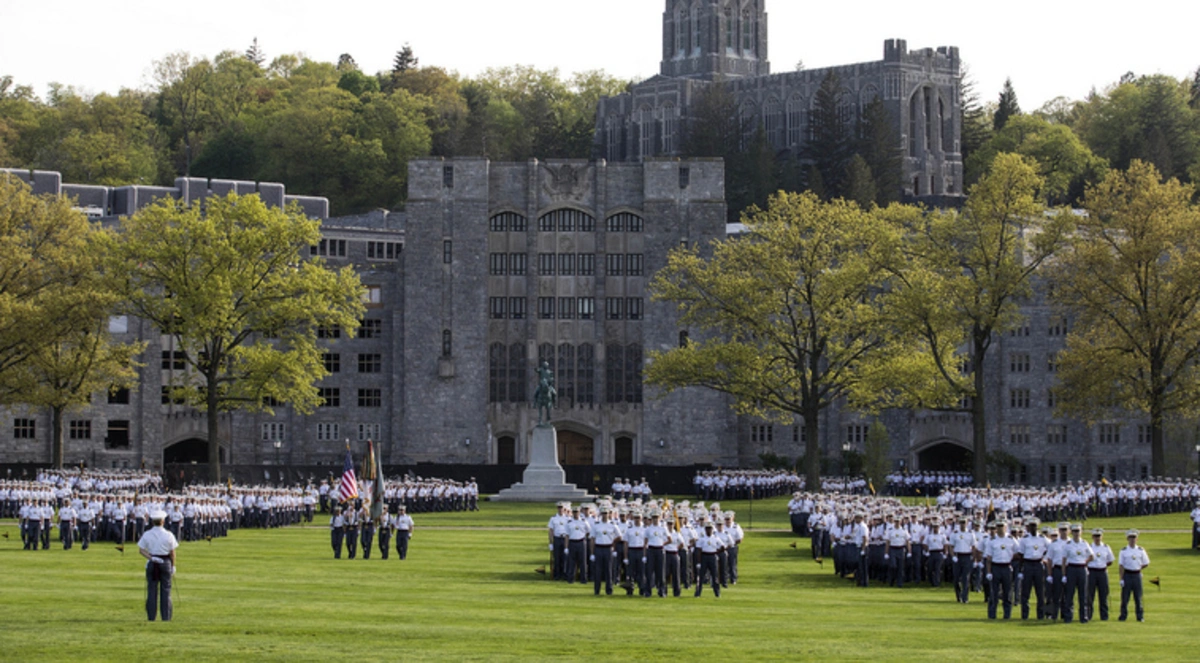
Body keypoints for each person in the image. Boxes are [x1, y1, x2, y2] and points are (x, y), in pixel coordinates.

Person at [137, 509, 179, 622]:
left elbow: (141, 550)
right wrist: (173, 566)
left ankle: (151, 616)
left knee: (151, 590)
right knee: (166, 590)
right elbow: (172, 553)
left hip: (153, 561)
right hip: (165, 562)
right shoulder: (168, 535)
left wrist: (151, 558)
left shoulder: (147, 534)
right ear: (163, 521)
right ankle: (166, 616)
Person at [1061, 523, 1094, 623]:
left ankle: (1083, 616)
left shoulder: (1084, 543)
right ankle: (1068, 616)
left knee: (1083, 594)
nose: (1076, 533)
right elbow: (1064, 560)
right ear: (1072, 532)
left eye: (1078, 531)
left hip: (1081, 568)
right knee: (1070, 594)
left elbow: (1092, 556)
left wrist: (1085, 562)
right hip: (1071, 568)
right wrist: (1064, 575)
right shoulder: (1068, 545)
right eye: (1074, 531)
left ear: (1081, 532)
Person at [985, 520, 1017, 620]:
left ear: (1006, 527)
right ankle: (992, 614)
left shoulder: (1011, 539)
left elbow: (1018, 552)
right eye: (998, 526)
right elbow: (989, 557)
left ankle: (1007, 615)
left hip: (1007, 566)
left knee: (1007, 592)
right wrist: (989, 572)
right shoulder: (992, 540)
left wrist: (1010, 558)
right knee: (994, 592)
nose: (1000, 528)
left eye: (1002, 526)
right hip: (996, 567)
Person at [1118, 529, 1150, 622]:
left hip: (1137, 575)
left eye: (1134, 537)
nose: (1132, 539)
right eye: (1130, 537)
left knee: (1138, 597)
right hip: (1127, 574)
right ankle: (1123, 615)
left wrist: (1139, 568)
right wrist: (1121, 579)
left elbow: (1146, 563)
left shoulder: (1141, 550)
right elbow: (1121, 565)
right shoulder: (1124, 551)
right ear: (1127, 539)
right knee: (1125, 598)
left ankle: (1140, 616)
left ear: (1137, 539)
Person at [1086, 528, 1114, 622]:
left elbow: (1110, 560)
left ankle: (1104, 616)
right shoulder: (1089, 547)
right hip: (1091, 572)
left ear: (1102, 537)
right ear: (1092, 537)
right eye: (1095, 536)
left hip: (1102, 572)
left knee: (1103, 595)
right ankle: (1088, 615)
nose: (1097, 538)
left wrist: (1102, 566)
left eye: (1099, 536)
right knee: (1090, 595)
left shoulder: (1106, 547)